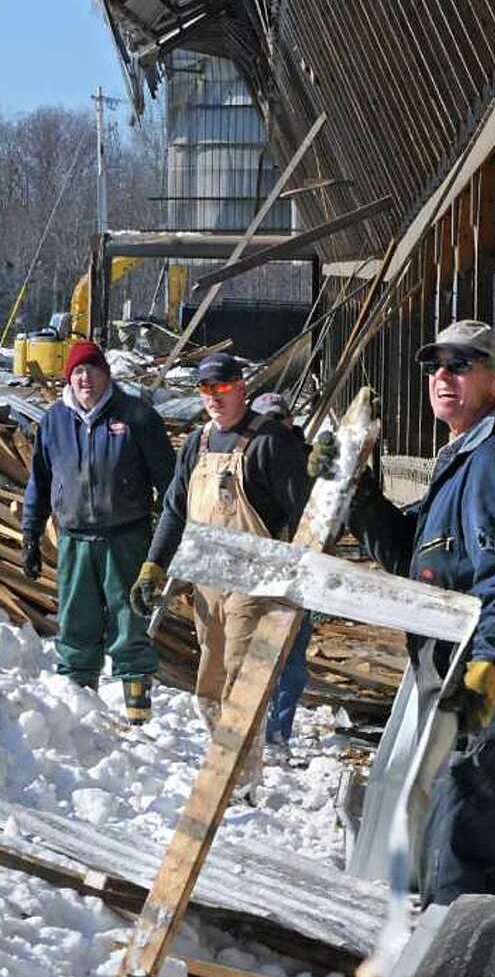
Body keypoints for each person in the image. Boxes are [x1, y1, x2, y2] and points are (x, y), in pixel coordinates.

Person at [344, 319, 495, 907]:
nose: (441, 376)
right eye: (434, 366)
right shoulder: (462, 462)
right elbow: (411, 555)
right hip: (480, 676)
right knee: (487, 855)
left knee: (460, 850)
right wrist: (356, 492)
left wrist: (489, 672)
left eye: (460, 364)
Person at [130, 354, 311, 792]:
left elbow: (307, 515)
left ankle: (235, 781)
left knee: (238, 681)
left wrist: (303, 583)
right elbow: (175, 509)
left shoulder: (270, 442)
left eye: (223, 389)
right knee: (208, 690)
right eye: (205, 390)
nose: (214, 398)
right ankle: (235, 765)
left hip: (256, 582)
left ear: (241, 388)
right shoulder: (198, 442)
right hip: (207, 579)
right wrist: (153, 566)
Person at [22, 339, 175, 724]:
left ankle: (138, 716)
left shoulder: (136, 416)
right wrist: (30, 533)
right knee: (76, 623)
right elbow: (39, 482)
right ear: (68, 379)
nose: (85, 378)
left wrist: (165, 543)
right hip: (75, 541)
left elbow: (171, 484)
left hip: (127, 539)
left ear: (107, 374)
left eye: (92, 369)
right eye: (77, 371)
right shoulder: (54, 421)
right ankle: (78, 711)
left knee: (130, 622)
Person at [250, 391, 313, 756]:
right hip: (254, 573)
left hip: (295, 574)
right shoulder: (246, 459)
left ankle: (277, 734)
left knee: (291, 661)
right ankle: (251, 732)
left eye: (279, 420)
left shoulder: (306, 462)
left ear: (290, 422)